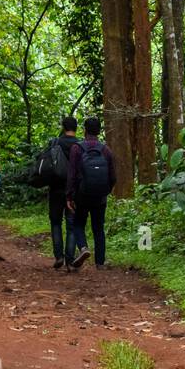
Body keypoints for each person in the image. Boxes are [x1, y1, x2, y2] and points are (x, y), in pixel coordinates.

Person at [66, 116, 116, 270]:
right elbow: (113, 176)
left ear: (85, 130)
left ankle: (83, 248)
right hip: (100, 196)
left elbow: (72, 174)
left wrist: (69, 195)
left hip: (82, 195)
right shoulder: (106, 150)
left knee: (78, 223)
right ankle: (100, 263)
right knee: (98, 228)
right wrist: (106, 191)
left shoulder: (77, 148)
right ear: (99, 131)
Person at [47, 115, 78, 269]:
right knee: (72, 225)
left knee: (56, 222)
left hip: (55, 188)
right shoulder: (80, 145)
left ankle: (58, 256)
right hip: (73, 191)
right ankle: (70, 260)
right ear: (76, 128)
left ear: (63, 128)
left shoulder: (55, 143)